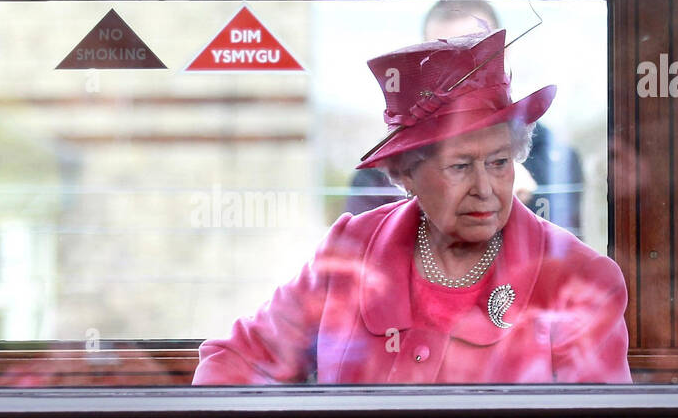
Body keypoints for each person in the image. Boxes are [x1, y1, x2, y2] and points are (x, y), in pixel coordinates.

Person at [194, 29, 630, 384]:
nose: (486, 188)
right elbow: (238, 361)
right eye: (460, 166)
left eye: (499, 162)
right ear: (405, 173)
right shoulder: (352, 247)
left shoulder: (580, 280)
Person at [346, 0, 585, 233]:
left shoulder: (555, 159)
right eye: (442, 58)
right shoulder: (381, 173)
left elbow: (564, 251)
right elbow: (366, 251)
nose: (460, 76)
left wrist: (527, 198)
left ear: (503, 53)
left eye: (475, 55)